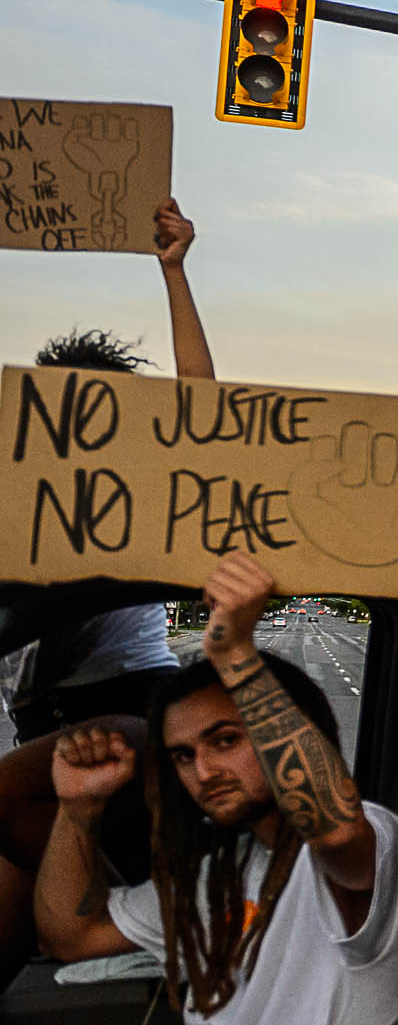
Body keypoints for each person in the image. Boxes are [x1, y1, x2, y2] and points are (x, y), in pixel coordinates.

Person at [0, 551, 398, 1025]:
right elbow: (71, 935)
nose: (204, 771)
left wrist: (234, 654)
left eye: (227, 741)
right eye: (186, 756)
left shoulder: (375, 848)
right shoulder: (222, 875)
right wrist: (79, 811)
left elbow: (335, 825)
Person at [5, 199, 215, 745]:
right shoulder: (21, 488)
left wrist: (174, 271)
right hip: (37, 713)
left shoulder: (139, 486)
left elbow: (204, 412)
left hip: (129, 694)